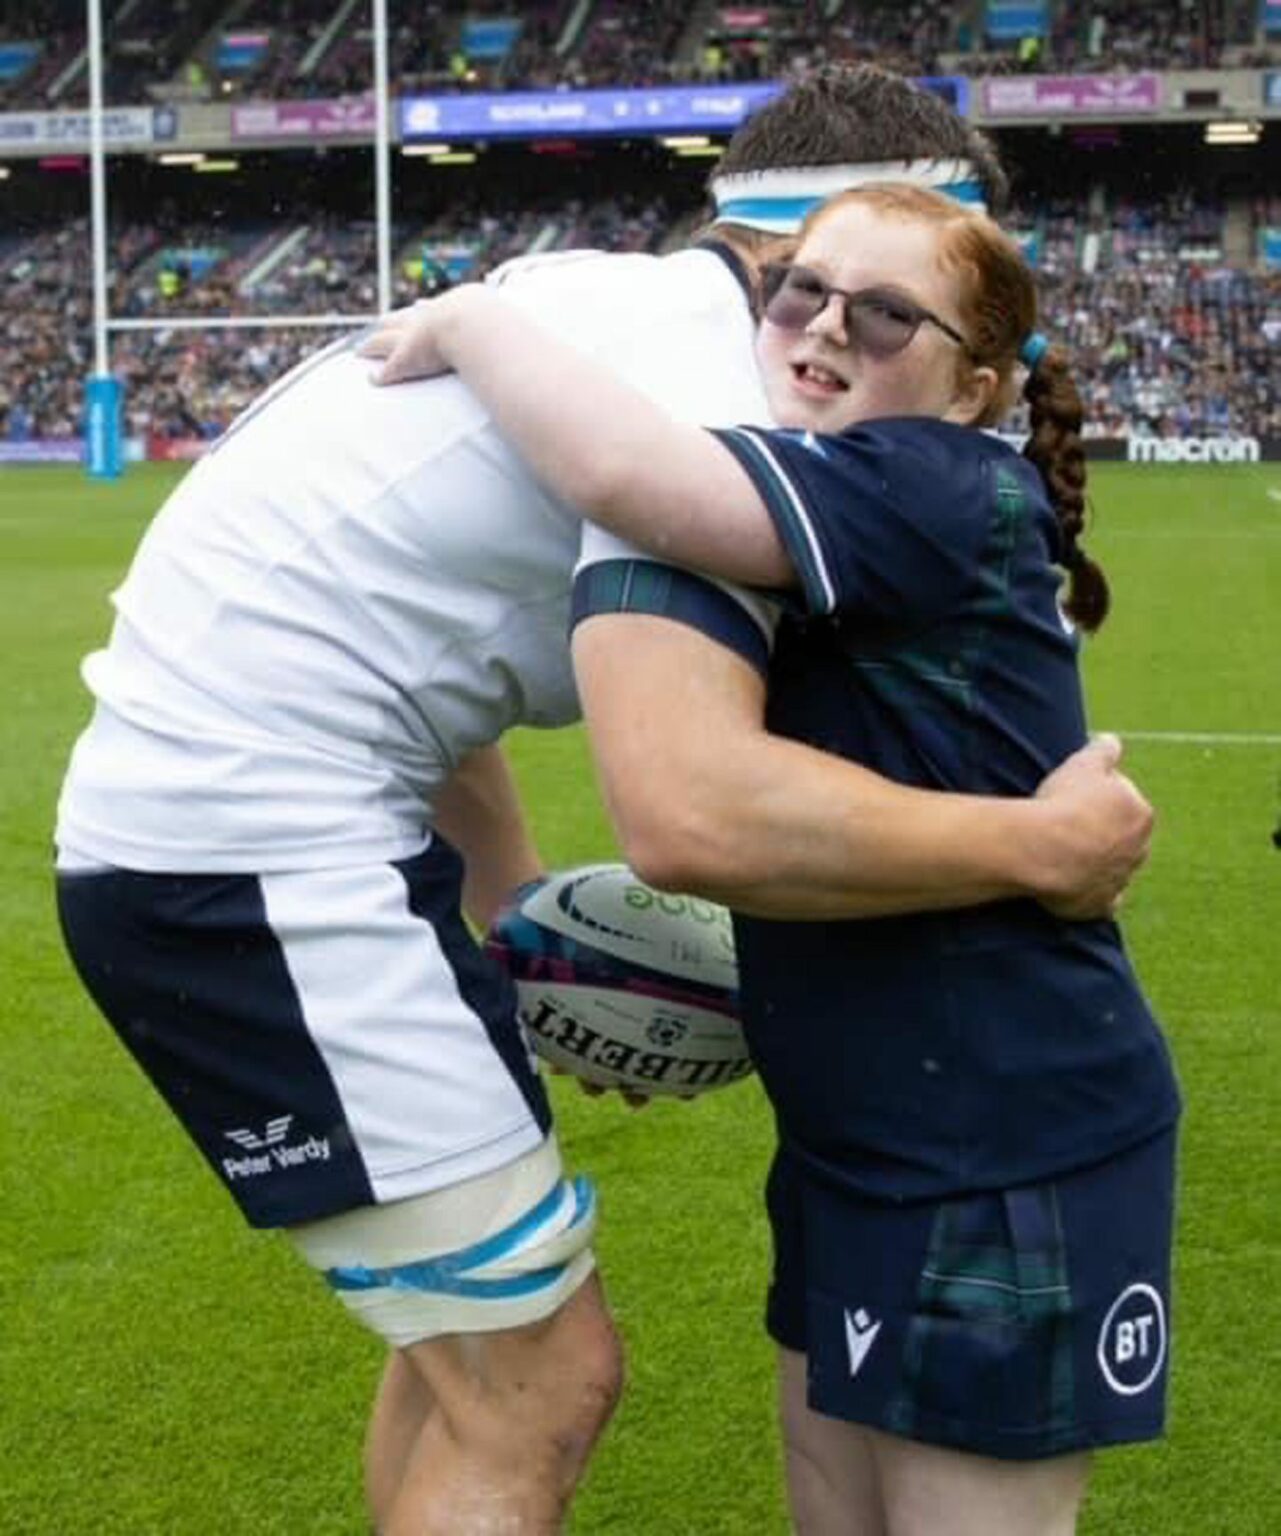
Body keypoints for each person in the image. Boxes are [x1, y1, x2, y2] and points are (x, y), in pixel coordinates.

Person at [53, 69, 1151, 1536]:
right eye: (857, 283)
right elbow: (692, 817)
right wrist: (1042, 843)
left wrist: (512, 905)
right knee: (536, 1383)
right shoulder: (708, 397)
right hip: (249, 852)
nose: (843, 331)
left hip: (236, 818)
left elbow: (392, 639)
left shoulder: (601, 305)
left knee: (468, 1348)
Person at [356, 183, 1181, 1535]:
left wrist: (474, 318)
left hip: (1005, 1130)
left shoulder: (928, 479)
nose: (823, 326)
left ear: (975, 386)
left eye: (885, 311)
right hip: (862, 1132)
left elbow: (625, 473)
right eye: (801, 287)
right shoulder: (864, 488)